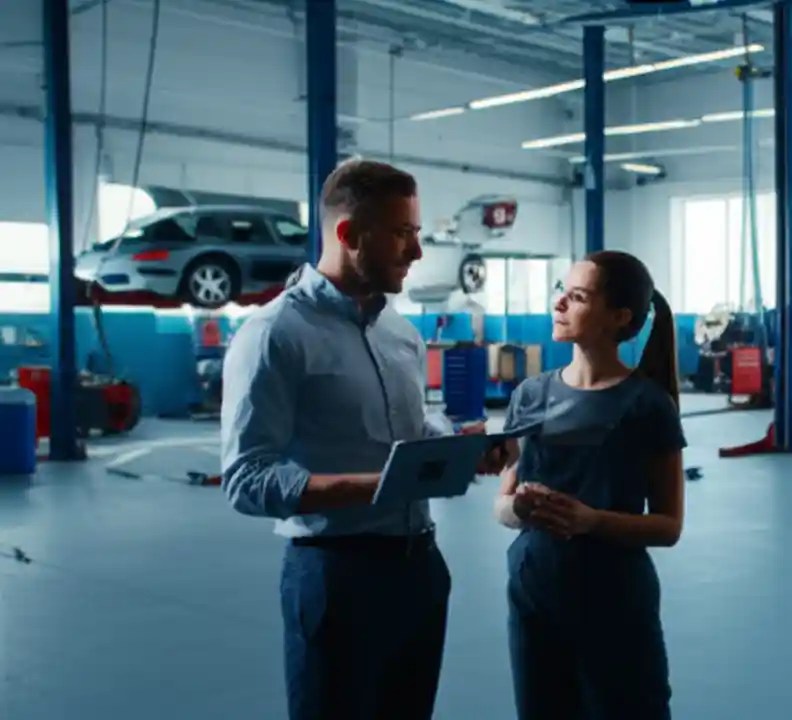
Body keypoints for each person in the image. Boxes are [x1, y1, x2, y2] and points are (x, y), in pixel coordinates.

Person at [219, 158, 507, 720]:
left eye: (417, 234)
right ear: (349, 234)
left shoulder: (399, 333)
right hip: (335, 578)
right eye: (402, 234)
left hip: (419, 569)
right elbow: (246, 479)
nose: (417, 252)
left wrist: (462, 447)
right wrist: (375, 486)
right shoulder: (275, 334)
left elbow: (411, 429)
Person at [493, 250, 687, 720]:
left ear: (619, 318)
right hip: (534, 591)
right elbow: (502, 504)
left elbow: (668, 526)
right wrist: (519, 509)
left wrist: (592, 520)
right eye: (562, 291)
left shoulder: (647, 405)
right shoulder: (531, 394)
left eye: (577, 297)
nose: (559, 304)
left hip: (614, 598)